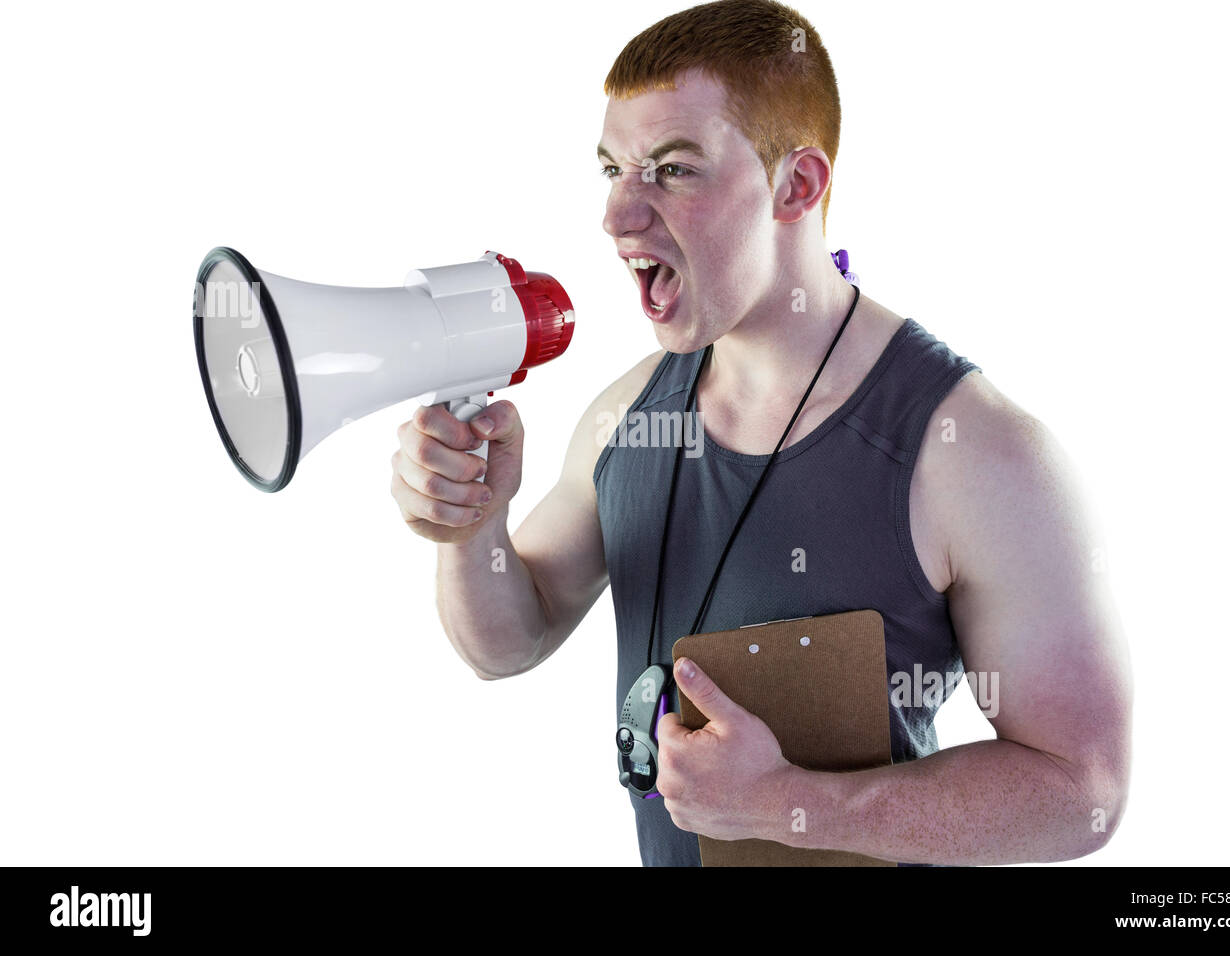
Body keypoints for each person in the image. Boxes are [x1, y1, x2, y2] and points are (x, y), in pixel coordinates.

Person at [389, 0, 1131, 867]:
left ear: (798, 186)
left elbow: (1085, 791)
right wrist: (470, 527)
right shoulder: (624, 416)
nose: (617, 215)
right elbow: (507, 643)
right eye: (612, 170)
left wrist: (789, 804)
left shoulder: (972, 451)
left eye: (672, 169)